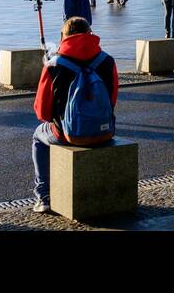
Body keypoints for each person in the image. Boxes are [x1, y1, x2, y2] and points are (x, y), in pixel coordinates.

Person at [30, 17, 119, 214]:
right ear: (90, 34)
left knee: (38, 135)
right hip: (105, 131)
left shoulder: (54, 64)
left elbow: (42, 112)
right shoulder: (107, 60)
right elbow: (111, 101)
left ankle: (43, 196)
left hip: (67, 134)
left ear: (64, 37)